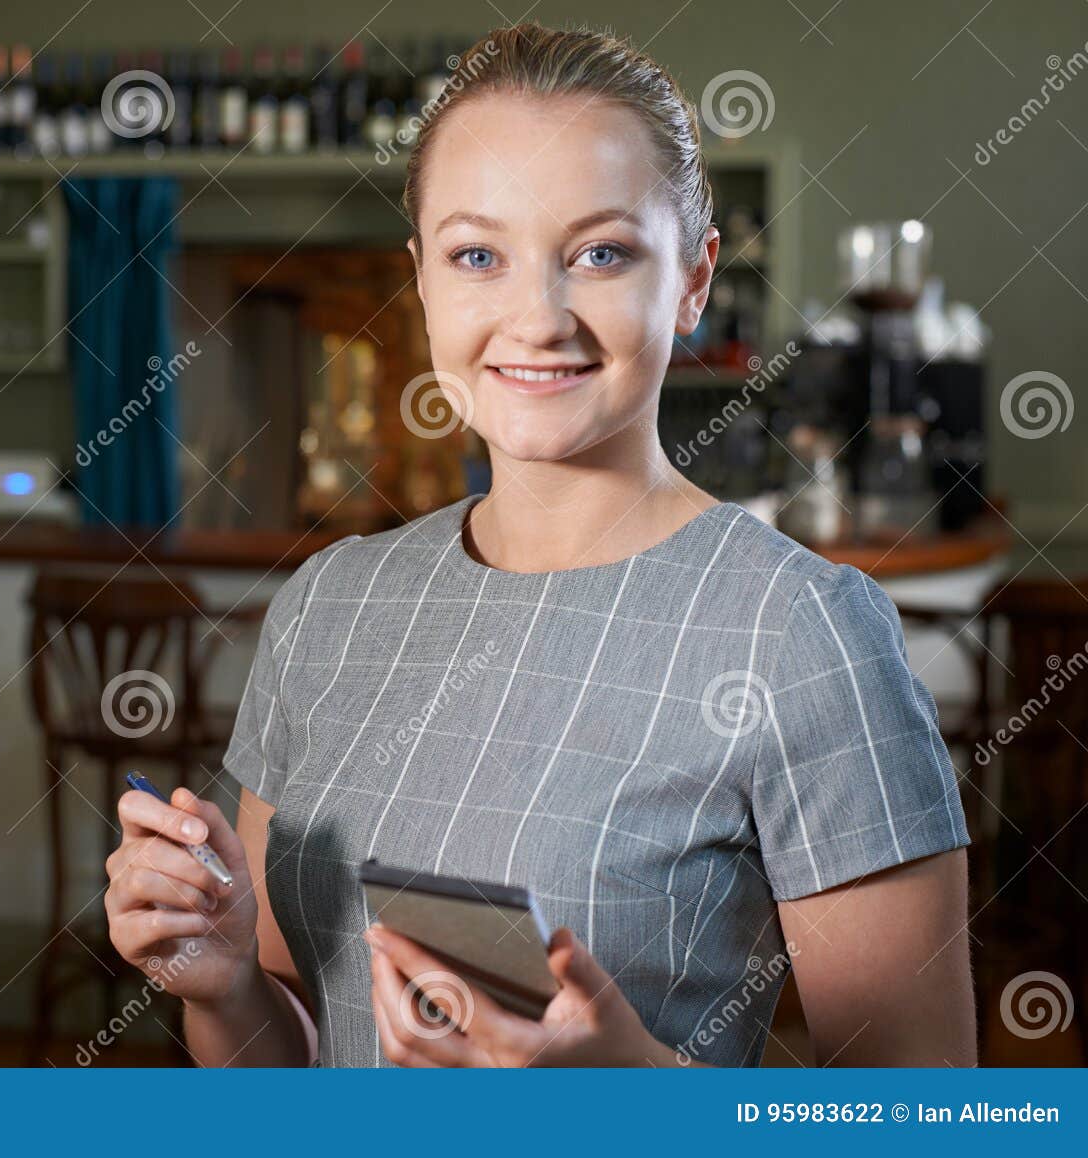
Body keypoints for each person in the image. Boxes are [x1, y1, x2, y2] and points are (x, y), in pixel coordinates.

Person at [105, 22, 974, 1067]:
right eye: (479, 255)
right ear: (422, 278)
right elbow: (292, 1064)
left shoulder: (800, 633)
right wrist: (223, 982)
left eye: (600, 253)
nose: (537, 317)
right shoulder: (329, 606)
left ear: (693, 280)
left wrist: (624, 1085)